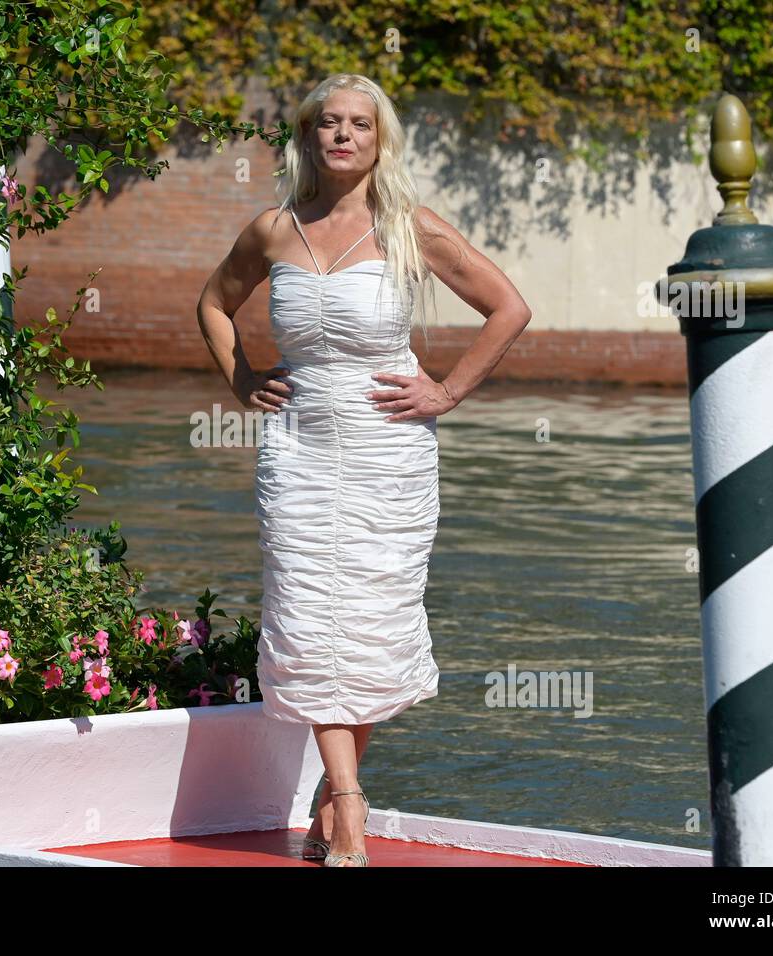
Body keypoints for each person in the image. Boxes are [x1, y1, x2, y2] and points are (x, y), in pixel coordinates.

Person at [196, 74, 532, 866]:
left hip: (389, 448)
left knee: (372, 618)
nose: (343, 136)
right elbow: (213, 303)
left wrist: (447, 389)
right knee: (310, 613)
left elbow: (509, 307)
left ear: (381, 140)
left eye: (360, 125)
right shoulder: (274, 228)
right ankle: (348, 800)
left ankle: (333, 796)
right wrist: (242, 379)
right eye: (329, 124)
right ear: (309, 136)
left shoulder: (410, 227)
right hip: (298, 447)